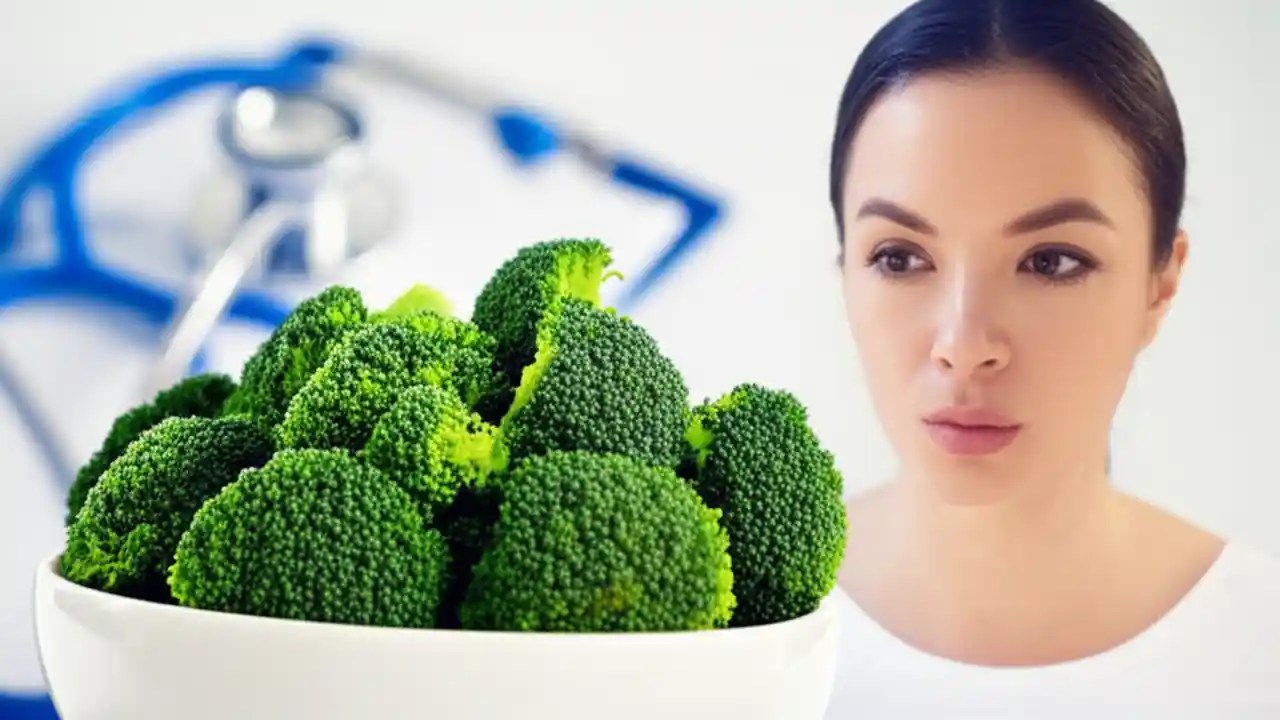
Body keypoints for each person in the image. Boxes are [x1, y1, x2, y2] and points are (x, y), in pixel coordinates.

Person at [822, 0, 1280, 716]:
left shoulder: (1262, 652)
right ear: (846, 266)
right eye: (901, 256)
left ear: (1161, 285)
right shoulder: (715, 635)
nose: (965, 347)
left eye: (1052, 261)